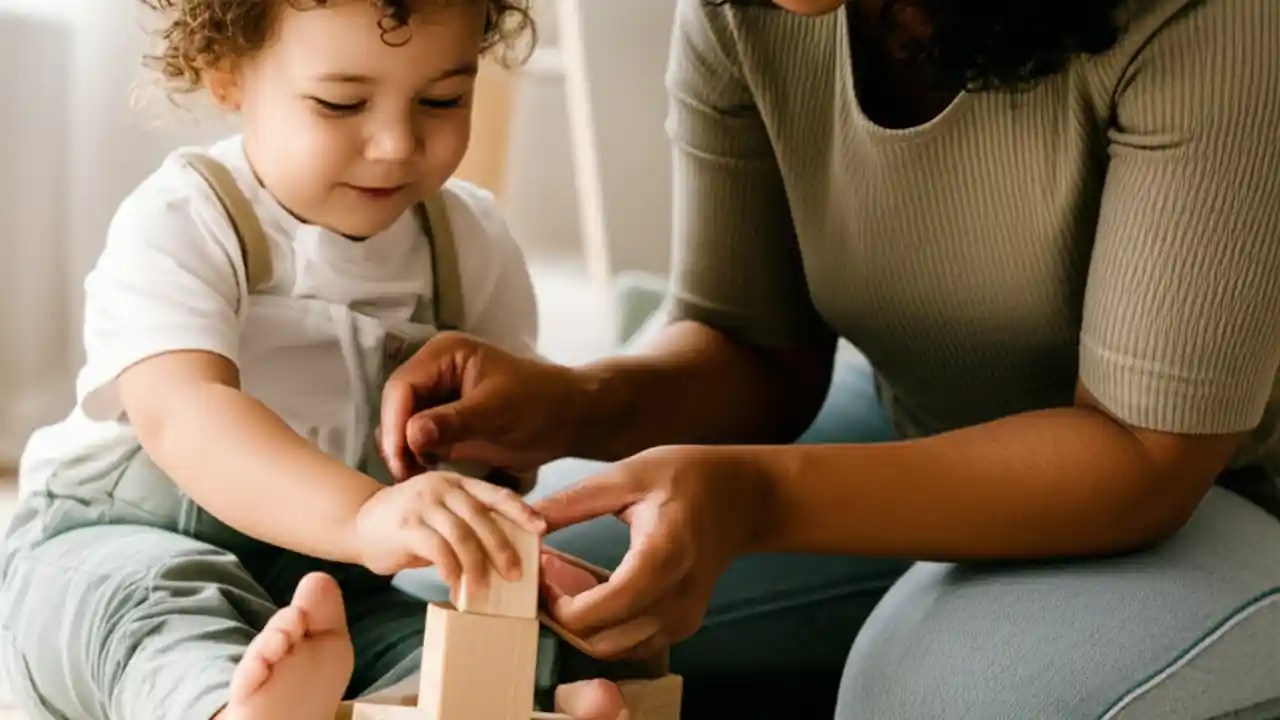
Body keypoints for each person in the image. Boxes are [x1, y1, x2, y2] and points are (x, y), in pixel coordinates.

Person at [380, 0, 1280, 717]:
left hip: (1222, 492)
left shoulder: (1209, 17)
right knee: (452, 570)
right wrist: (575, 401)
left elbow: (1146, 458)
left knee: (925, 700)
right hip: (924, 429)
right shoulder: (757, 11)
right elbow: (754, 342)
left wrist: (758, 500)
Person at [0, 1, 628, 719]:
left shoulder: (470, 241)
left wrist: (496, 519)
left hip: (333, 584)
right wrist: (364, 518)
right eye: (341, 103)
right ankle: (223, 707)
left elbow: (505, 443)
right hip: (123, 540)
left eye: (443, 99)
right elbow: (184, 416)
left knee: (432, 636)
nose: (396, 142)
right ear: (228, 74)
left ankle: (489, 699)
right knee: (151, 611)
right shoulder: (186, 218)